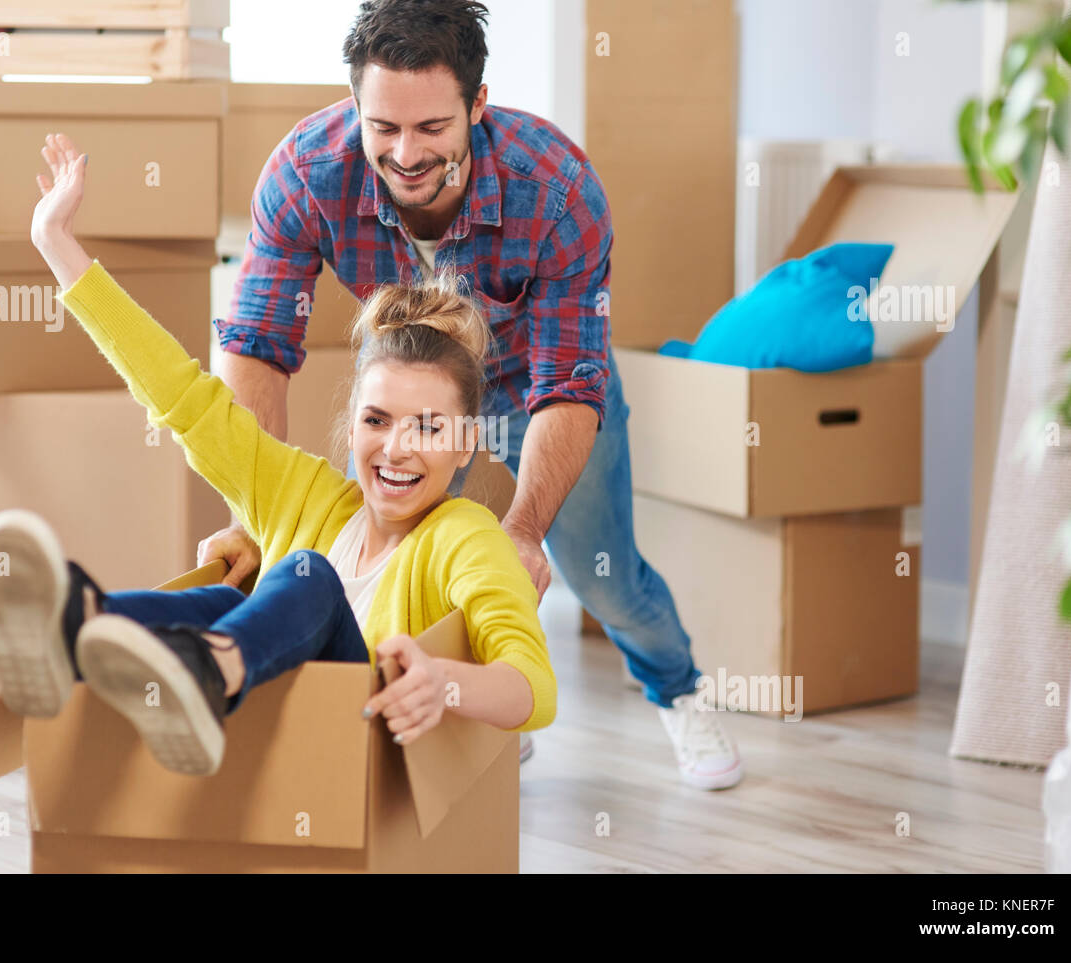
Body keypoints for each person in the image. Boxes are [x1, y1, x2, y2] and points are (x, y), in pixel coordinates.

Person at [203, 0, 741, 788]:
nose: (405, 153)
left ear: (477, 106)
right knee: (405, 566)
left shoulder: (556, 188)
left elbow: (569, 382)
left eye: (431, 128)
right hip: (419, 399)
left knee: (604, 576)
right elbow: (255, 347)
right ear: (355, 104)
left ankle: (681, 688)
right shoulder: (305, 173)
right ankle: (481, 714)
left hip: (540, 391)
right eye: (383, 127)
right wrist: (250, 521)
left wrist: (522, 528)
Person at [0, 131, 555, 778]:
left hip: (358, 759)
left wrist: (444, 681)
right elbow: (178, 393)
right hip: (265, 749)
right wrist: (55, 242)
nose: (395, 449)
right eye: (377, 420)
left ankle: (206, 672)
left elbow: (533, 683)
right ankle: (74, 627)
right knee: (227, 602)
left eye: (428, 428)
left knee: (308, 577)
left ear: (468, 440)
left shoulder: (465, 537)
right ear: (352, 421)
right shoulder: (299, 494)